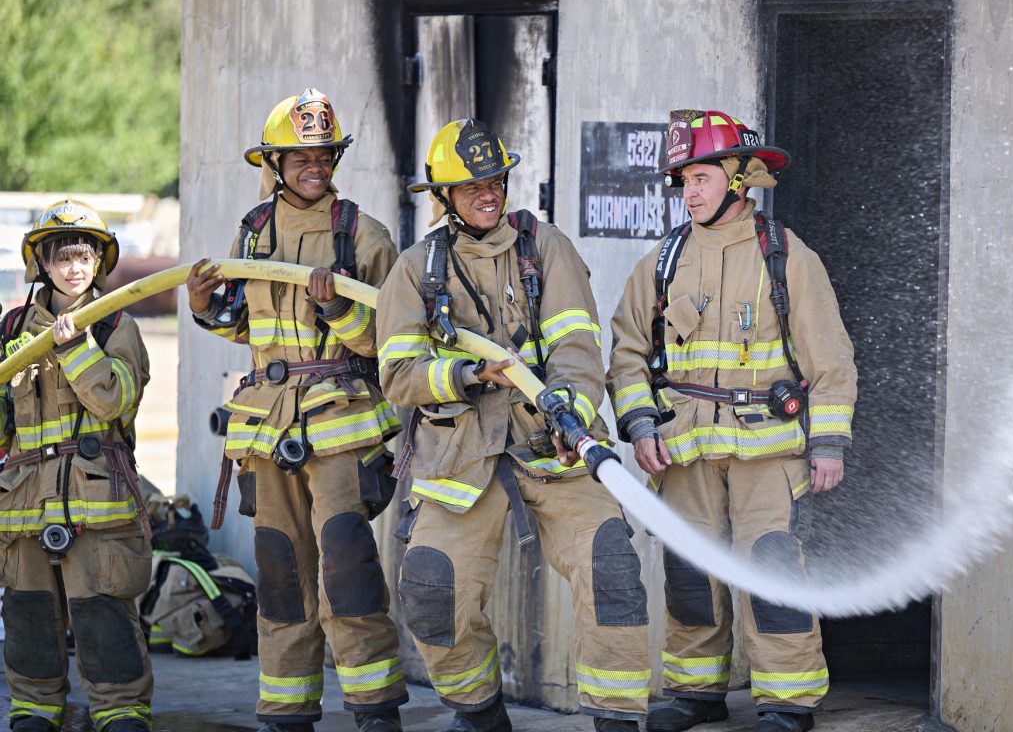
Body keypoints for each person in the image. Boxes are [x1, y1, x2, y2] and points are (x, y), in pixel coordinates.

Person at [376, 118, 649, 732]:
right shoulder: (417, 270)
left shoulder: (546, 249)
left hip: (553, 447)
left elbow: (577, 346)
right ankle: (479, 711)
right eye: (471, 185)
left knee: (609, 564)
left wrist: (571, 413)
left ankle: (617, 718)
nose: (488, 192)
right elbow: (398, 374)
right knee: (430, 589)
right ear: (443, 197)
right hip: (461, 458)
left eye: (495, 178)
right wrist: (471, 373)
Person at [607, 110, 858, 732]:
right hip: (684, 452)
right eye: (684, 180)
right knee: (690, 574)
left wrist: (827, 443)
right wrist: (640, 427)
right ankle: (695, 692)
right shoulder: (662, 262)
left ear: (739, 179)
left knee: (772, 568)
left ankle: (787, 700)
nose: (689, 191)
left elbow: (830, 359)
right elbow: (628, 354)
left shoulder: (787, 256)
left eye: (701, 177)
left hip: (767, 454)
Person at [187, 89, 407, 732]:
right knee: (282, 575)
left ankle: (374, 708)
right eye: (301, 156)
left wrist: (339, 310)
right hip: (266, 427)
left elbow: (390, 340)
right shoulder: (253, 232)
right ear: (275, 162)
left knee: (347, 568)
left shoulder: (363, 234)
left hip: (339, 426)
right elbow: (246, 324)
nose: (315, 166)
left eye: (325, 155)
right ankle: (287, 710)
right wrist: (206, 308)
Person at [0, 200, 153, 732]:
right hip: (24, 503)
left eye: (84, 255)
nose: (73, 267)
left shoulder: (116, 325)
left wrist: (75, 350)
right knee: (28, 614)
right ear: (41, 263)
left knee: (103, 614)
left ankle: (121, 711)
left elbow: (115, 404)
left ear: (99, 261)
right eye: (61, 256)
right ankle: (35, 710)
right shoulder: (13, 328)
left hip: (97, 503)